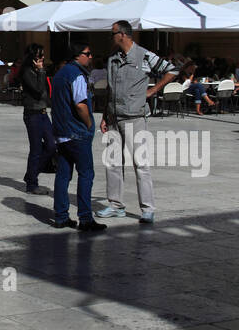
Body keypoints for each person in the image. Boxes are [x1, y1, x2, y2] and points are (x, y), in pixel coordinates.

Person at [96, 20, 177, 225]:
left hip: (134, 117)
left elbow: (172, 70)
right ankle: (115, 205)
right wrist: (105, 116)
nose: (111, 38)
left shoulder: (144, 55)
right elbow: (110, 90)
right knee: (113, 163)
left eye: (112, 33)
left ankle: (148, 209)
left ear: (122, 34)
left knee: (140, 164)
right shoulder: (112, 58)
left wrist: (152, 90)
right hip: (114, 116)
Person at [51, 40, 103, 231]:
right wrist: (89, 124)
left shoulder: (60, 74)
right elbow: (80, 104)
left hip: (61, 132)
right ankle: (86, 218)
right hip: (76, 133)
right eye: (88, 54)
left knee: (63, 174)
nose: (90, 57)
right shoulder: (77, 75)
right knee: (86, 174)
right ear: (77, 55)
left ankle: (61, 216)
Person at [14, 43, 55, 193]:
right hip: (32, 114)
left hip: (43, 113)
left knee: (51, 145)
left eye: (43, 55)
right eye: (40, 55)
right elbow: (38, 90)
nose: (43, 58)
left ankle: (31, 174)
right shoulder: (27, 72)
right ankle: (32, 183)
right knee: (36, 149)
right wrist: (41, 71)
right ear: (32, 57)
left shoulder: (37, 71)